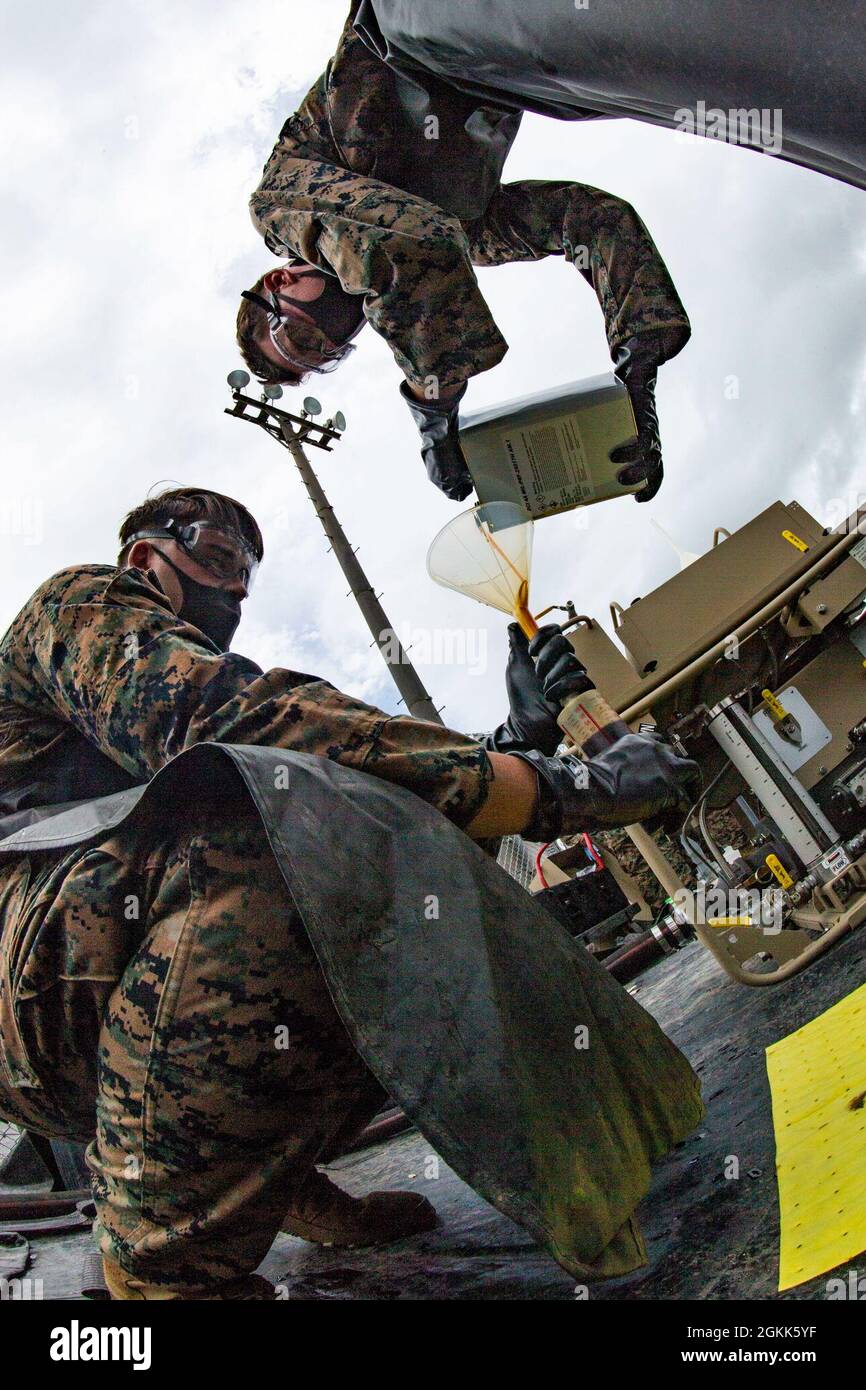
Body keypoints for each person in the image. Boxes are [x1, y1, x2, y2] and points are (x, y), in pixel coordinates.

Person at [0, 486, 699, 1299]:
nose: (234, 589)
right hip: (32, 990)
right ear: (145, 556)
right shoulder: (81, 605)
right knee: (278, 840)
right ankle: (163, 1263)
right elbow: (230, 720)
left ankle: (265, 1179)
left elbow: (359, 780)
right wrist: (566, 790)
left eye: (246, 576)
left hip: (89, 981)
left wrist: (512, 744)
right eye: (218, 559)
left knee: (366, 849)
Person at [237, 3, 690, 501]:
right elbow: (590, 220)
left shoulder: (278, 203)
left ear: (280, 283)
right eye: (327, 357)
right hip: (516, 52)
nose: (330, 340)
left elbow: (399, 246)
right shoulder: (467, 231)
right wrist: (637, 380)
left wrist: (434, 418)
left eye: (301, 338)